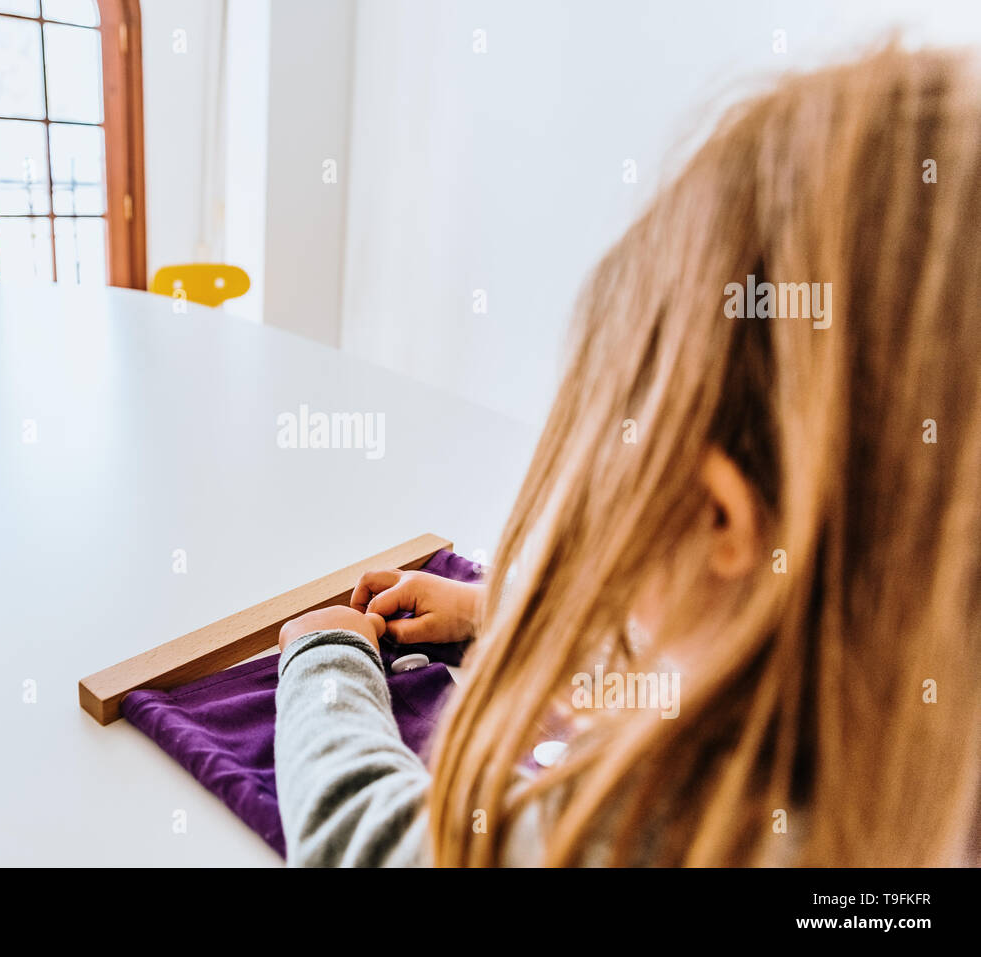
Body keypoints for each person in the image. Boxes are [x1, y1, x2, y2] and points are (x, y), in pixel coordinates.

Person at [273, 44, 981, 867]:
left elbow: (377, 842)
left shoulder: (673, 827)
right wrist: (494, 611)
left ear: (720, 514)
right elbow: (735, 632)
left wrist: (326, 664)